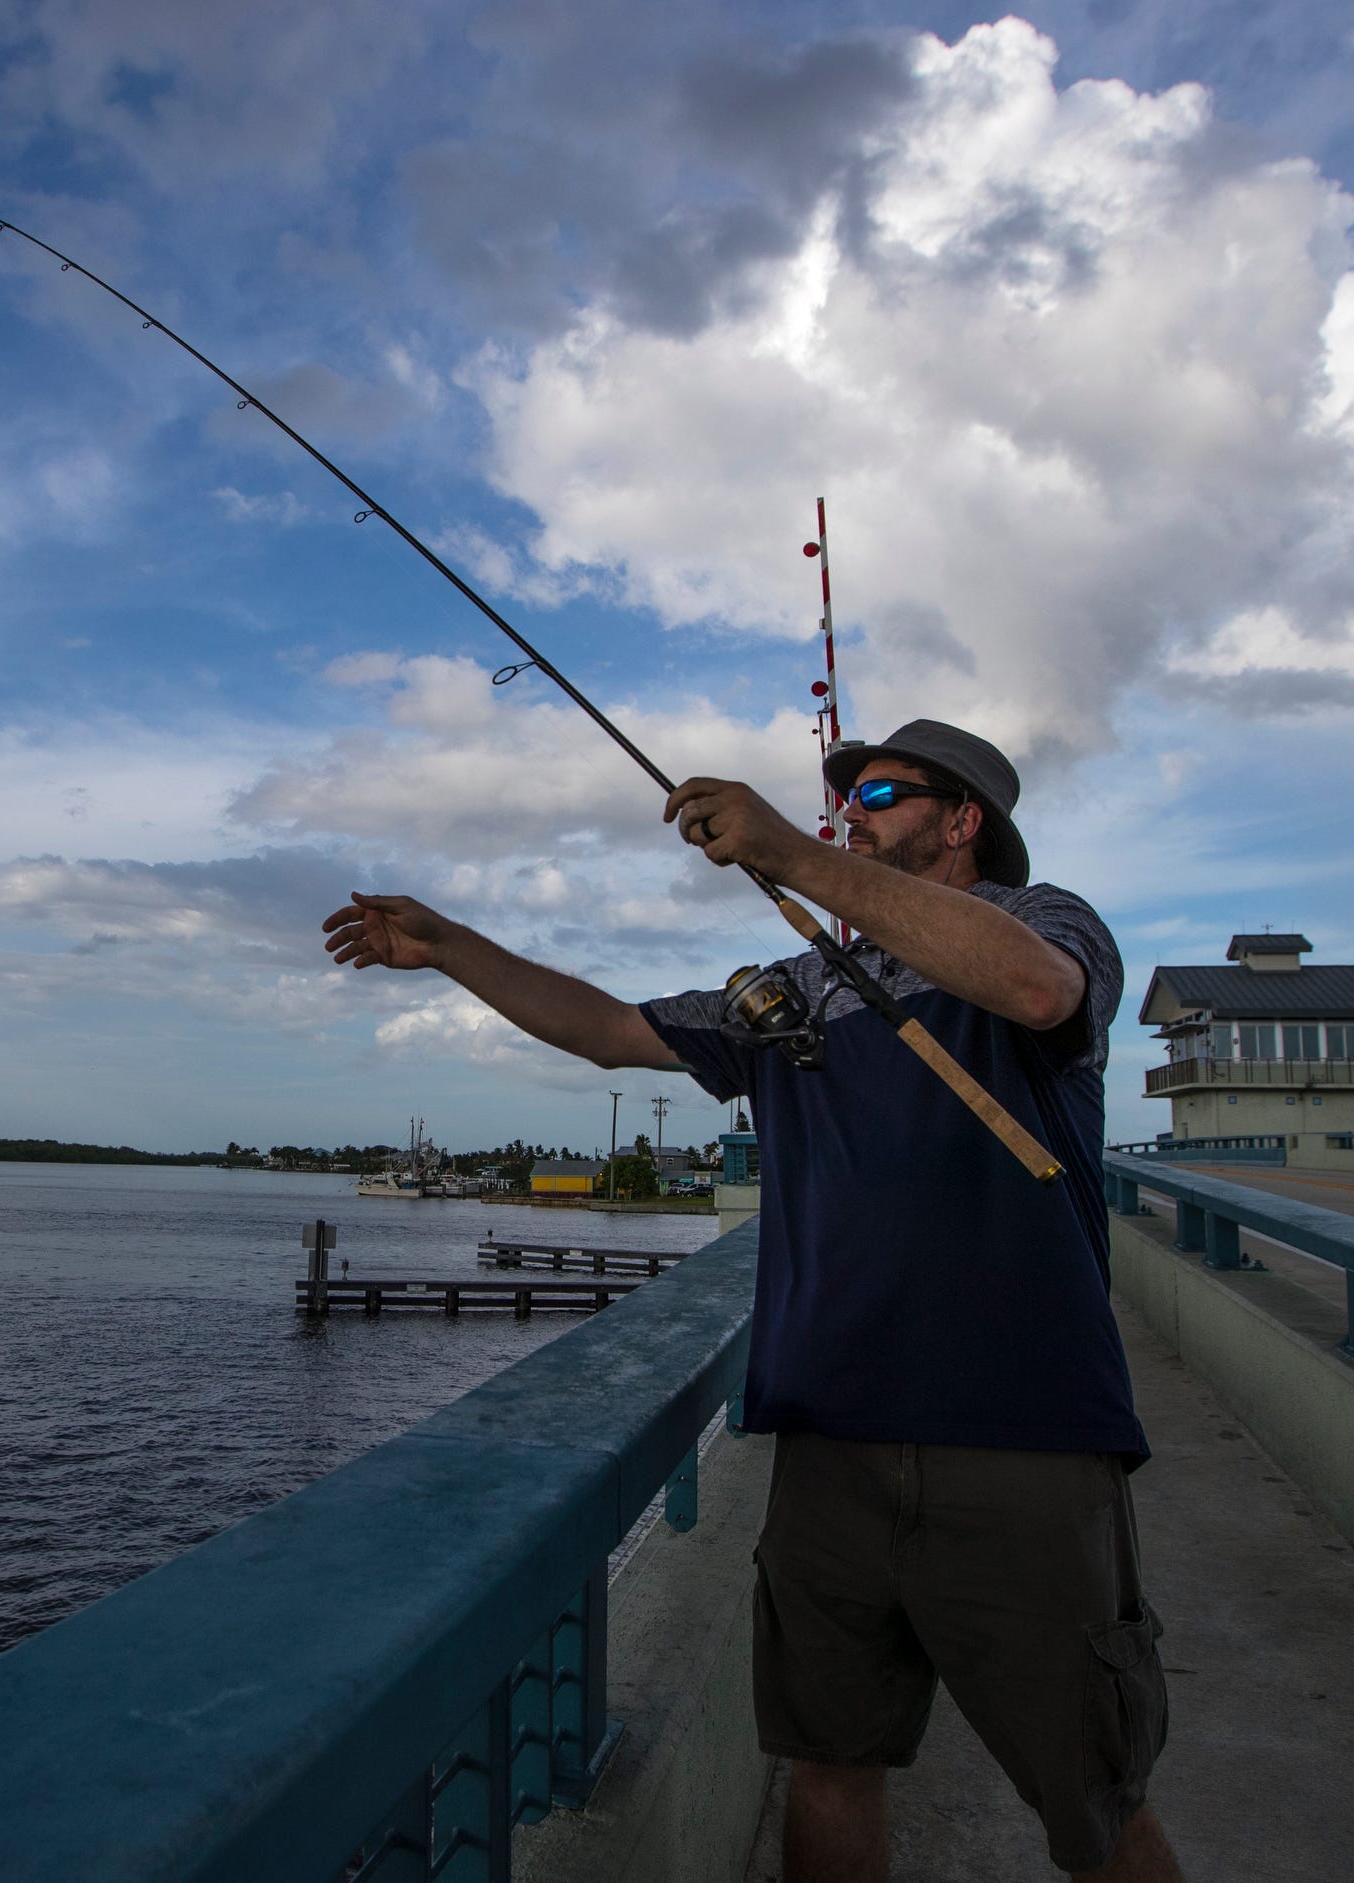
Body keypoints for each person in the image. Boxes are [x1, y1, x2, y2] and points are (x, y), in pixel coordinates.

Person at [320, 719, 1180, 1883]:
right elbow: (608, 1030)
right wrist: (452, 944)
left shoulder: (1046, 923)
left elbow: (1034, 991)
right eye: (840, 799)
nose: (852, 810)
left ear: (965, 816)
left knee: (1092, 1798)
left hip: (1024, 1432)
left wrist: (794, 853)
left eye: (879, 791)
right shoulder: (790, 993)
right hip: (829, 1439)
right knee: (828, 1760)